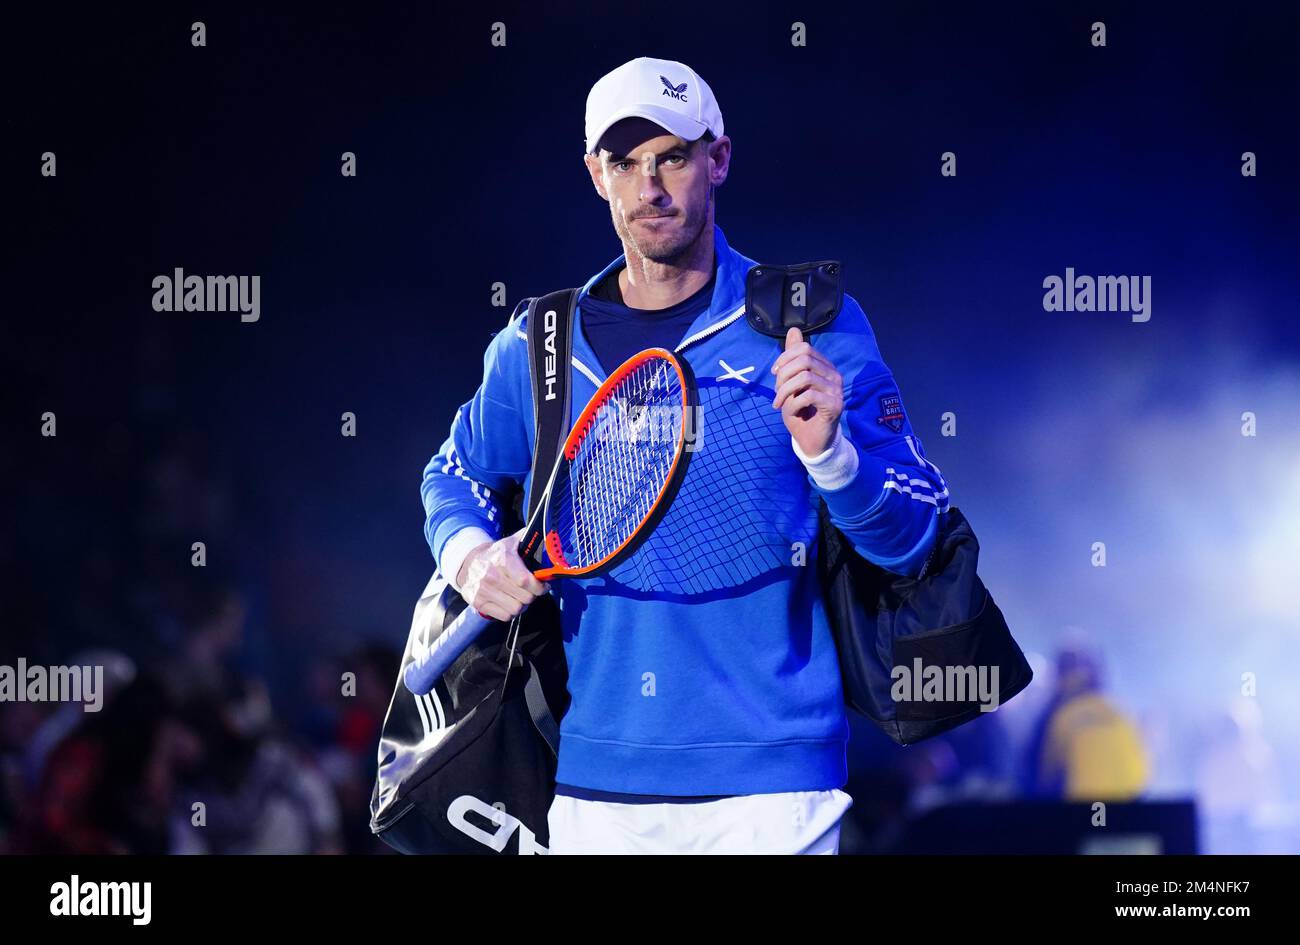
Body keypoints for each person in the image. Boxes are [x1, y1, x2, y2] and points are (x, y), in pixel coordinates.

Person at [421, 56, 950, 853]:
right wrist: (471, 560)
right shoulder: (541, 344)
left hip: (775, 797)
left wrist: (833, 456)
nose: (650, 187)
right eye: (624, 163)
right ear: (595, 175)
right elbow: (452, 475)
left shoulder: (816, 329)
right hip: (593, 791)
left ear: (719, 159)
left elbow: (915, 537)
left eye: (671, 156)